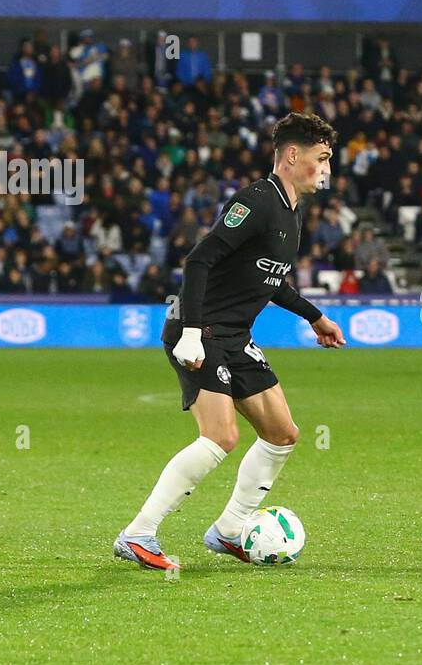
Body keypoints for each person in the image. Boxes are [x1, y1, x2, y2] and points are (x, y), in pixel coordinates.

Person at [115, 113, 346, 572]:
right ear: (292, 156)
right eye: (321, 159)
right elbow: (199, 260)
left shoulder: (291, 210)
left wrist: (314, 316)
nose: (327, 169)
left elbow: (268, 281)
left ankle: (229, 531)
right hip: (201, 331)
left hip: (236, 336)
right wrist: (193, 332)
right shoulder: (257, 202)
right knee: (221, 436)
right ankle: (138, 534)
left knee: (283, 434)